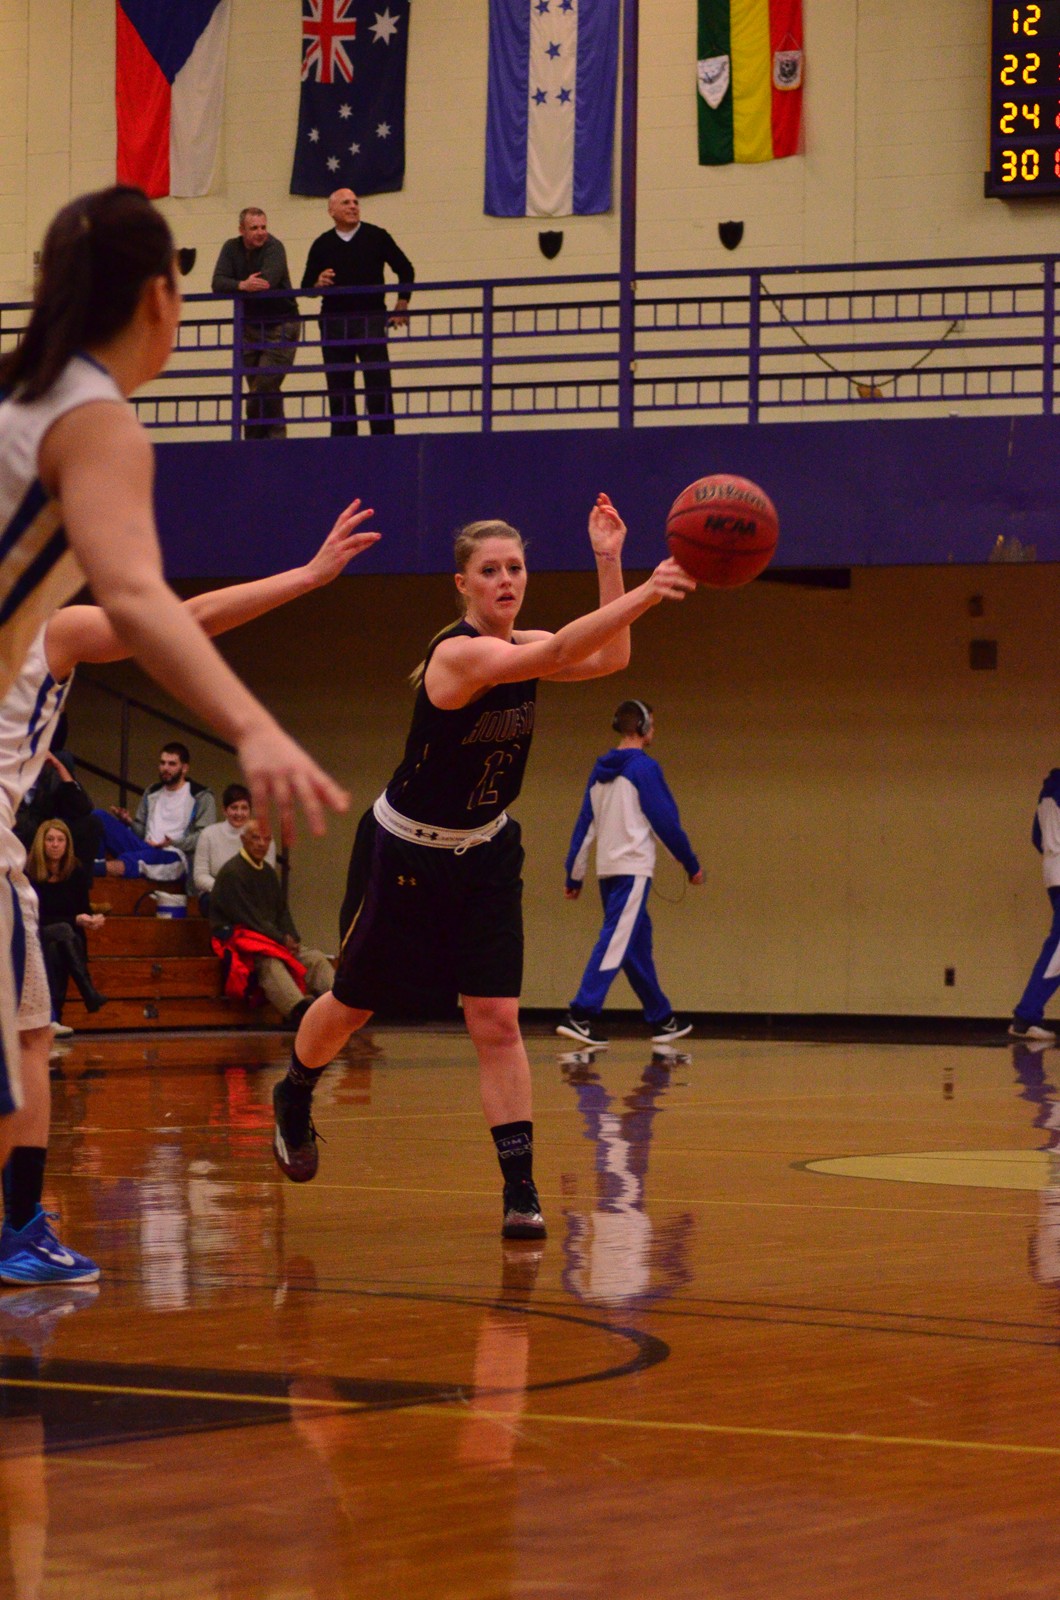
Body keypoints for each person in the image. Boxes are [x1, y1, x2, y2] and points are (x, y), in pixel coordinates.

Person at [0, 184, 350, 1175]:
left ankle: (21, 1229)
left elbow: (160, 612)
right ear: (162, 298)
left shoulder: (21, 400)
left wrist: (307, 577)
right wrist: (255, 725)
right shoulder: (91, 414)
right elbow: (149, 603)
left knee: (23, 1051)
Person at [269, 493, 697, 1244]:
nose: (507, 580)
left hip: (487, 853)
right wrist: (646, 591)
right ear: (462, 585)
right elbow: (560, 654)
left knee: (496, 1020)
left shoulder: (526, 641)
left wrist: (607, 561)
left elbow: (610, 656)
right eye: (491, 570)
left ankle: (520, 1190)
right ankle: (295, 1092)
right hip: (403, 855)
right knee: (352, 1006)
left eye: (517, 567)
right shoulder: (459, 655)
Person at [0, 498, 379, 1282]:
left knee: (30, 1037)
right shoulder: (50, 629)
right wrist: (306, 578)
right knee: (29, 1040)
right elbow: (189, 618)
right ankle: (18, 1231)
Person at [557, 700, 704, 1049]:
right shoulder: (644, 769)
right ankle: (581, 1013)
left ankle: (661, 1018)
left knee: (634, 947)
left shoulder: (600, 770)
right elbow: (664, 822)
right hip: (633, 871)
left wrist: (574, 875)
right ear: (641, 727)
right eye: (652, 723)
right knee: (615, 940)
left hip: (608, 872)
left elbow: (584, 826)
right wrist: (690, 863)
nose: (655, 729)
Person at [300, 189, 414, 437]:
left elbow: (406, 269)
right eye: (346, 203)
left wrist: (402, 302)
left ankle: (383, 441)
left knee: (378, 384)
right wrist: (317, 284)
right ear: (332, 211)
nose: (353, 206)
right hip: (334, 322)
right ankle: (344, 443)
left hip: (370, 318)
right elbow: (306, 286)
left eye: (355, 202)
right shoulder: (322, 244)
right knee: (339, 387)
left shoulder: (377, 236)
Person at [210, 821, 334, 1026]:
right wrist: (280, 939)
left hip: (272, 938)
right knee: (270, 964)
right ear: (243, 840)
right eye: (255, 838)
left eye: (266, 839)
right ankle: (298, 1011)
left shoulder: (267, 871)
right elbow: (248, 918)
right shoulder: (233, 872)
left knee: (315, 958)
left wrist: (292, 937)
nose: (261, 844)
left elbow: (281, 910)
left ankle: (339, 1003)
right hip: (243, 938)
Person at [211, 207, 301, 441]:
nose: (261, 233)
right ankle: (274, 440)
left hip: (281, 325)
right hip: (250, 328)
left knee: (263, 386)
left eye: (263, 227)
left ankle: (252, 441)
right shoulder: (231, 248)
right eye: (254, 228)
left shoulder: (275, 247)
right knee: (263, 390)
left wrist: (241, 284)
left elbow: (267, 282)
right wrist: (241, 285)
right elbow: (217, 282)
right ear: (242, 230)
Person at [25, 819, 106, 1028]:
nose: (55, 844)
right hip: (35, 934)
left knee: (57, 947)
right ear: (41, 843)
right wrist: (73, 920)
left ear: (67, 844)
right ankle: (87, 991)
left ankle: (55, 1019)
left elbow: (83, 909)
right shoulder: (29, 872)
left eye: (60, 840)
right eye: (50, 839)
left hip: (67, 940)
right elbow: (34, 917)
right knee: (62, 930)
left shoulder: (75, 871)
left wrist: (93, 920)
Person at [93, 743, 216, 881]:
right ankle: (95, 863)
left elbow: (204, 837)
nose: (165, 768)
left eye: (172, 764)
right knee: (98, 817)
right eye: (162, 763)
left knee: (137, 858)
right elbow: (140, 832)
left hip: (174, 855)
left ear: (185, 768)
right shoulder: (152, 792)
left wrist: (173, 843)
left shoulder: (201, 796)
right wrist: (129, 821)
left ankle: (91, 869)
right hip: (144, 846)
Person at [1011, 768, 1060, 1040]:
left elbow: (1036, 837)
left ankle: (1026, 1016)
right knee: (1058, 950)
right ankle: (1026, 1016)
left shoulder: (1046, 795)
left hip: (1053, 874)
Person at [14, 745, 101, 873]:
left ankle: (79, 887)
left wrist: (59, 766)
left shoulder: (50, 774)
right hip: (10, 838)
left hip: (42, 836)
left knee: (91, 823)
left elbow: (83, 808)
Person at [193, 782, 276, 911]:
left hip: (251, 895)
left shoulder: (262, 836)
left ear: (250, 810)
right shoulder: (208, 834)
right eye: (234, 807)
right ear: (225, 810)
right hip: (217, 894)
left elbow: (266, 876)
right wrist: (228, 890)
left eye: (244, 808)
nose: (239, 813)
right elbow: (199, 877)